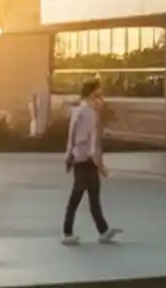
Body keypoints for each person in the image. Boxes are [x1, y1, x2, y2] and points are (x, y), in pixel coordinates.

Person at [62, 79, 121, 245]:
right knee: (79, 195)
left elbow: (72, 135)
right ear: (90, 96)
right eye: (98, 96)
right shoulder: (90, 114)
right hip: (86, 159)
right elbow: (93, 143)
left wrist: (69, 155)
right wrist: (100, 165)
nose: (101, 100)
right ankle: (68, 232)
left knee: (91, 195)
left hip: (80, 157)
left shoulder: (78, 111)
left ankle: (102, 230)